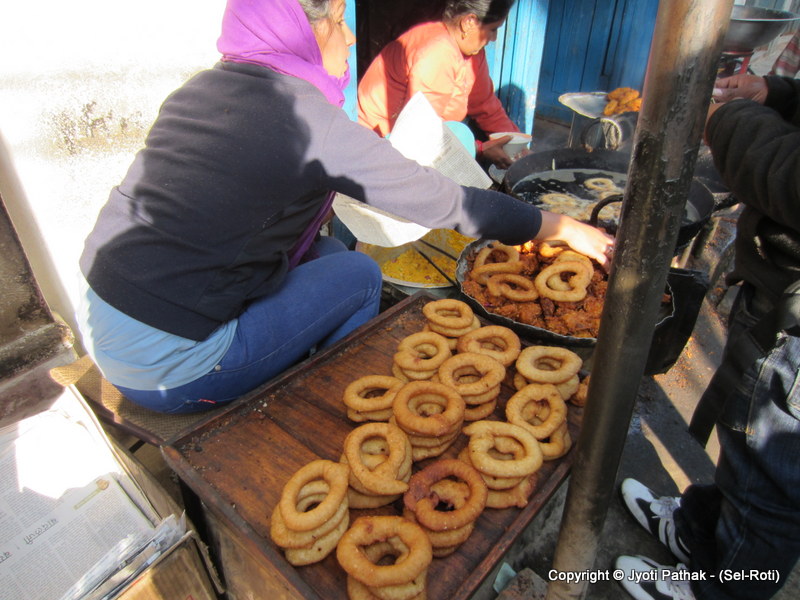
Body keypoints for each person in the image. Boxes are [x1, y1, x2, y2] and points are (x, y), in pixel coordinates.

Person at [76, 0, 614, 415]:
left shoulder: (203, 88)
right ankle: (333, 399)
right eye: (338, 18)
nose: (351, 33)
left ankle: (299, 354)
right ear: (302, 30)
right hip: (173, 369)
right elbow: (440, 199)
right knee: (358, 273)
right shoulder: (306, 118)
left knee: (329, 248)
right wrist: (558, 226)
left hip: (104, 319)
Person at [615, 72, 800, 600]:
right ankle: (698, 532)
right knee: (745, 446)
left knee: (773, 487)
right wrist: (780, 96)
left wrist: (728, 121)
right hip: (780, 289)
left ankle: (715, 591)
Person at [356, 0, 525, 169]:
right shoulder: (437, 52)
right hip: (383, 141)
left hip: (429, 133)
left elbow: (485, 104)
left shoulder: (473, 53)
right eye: (493, 29)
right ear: (469, 22)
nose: (494, 38)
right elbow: (422, 131)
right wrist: (480, 149)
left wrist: (518, 146)